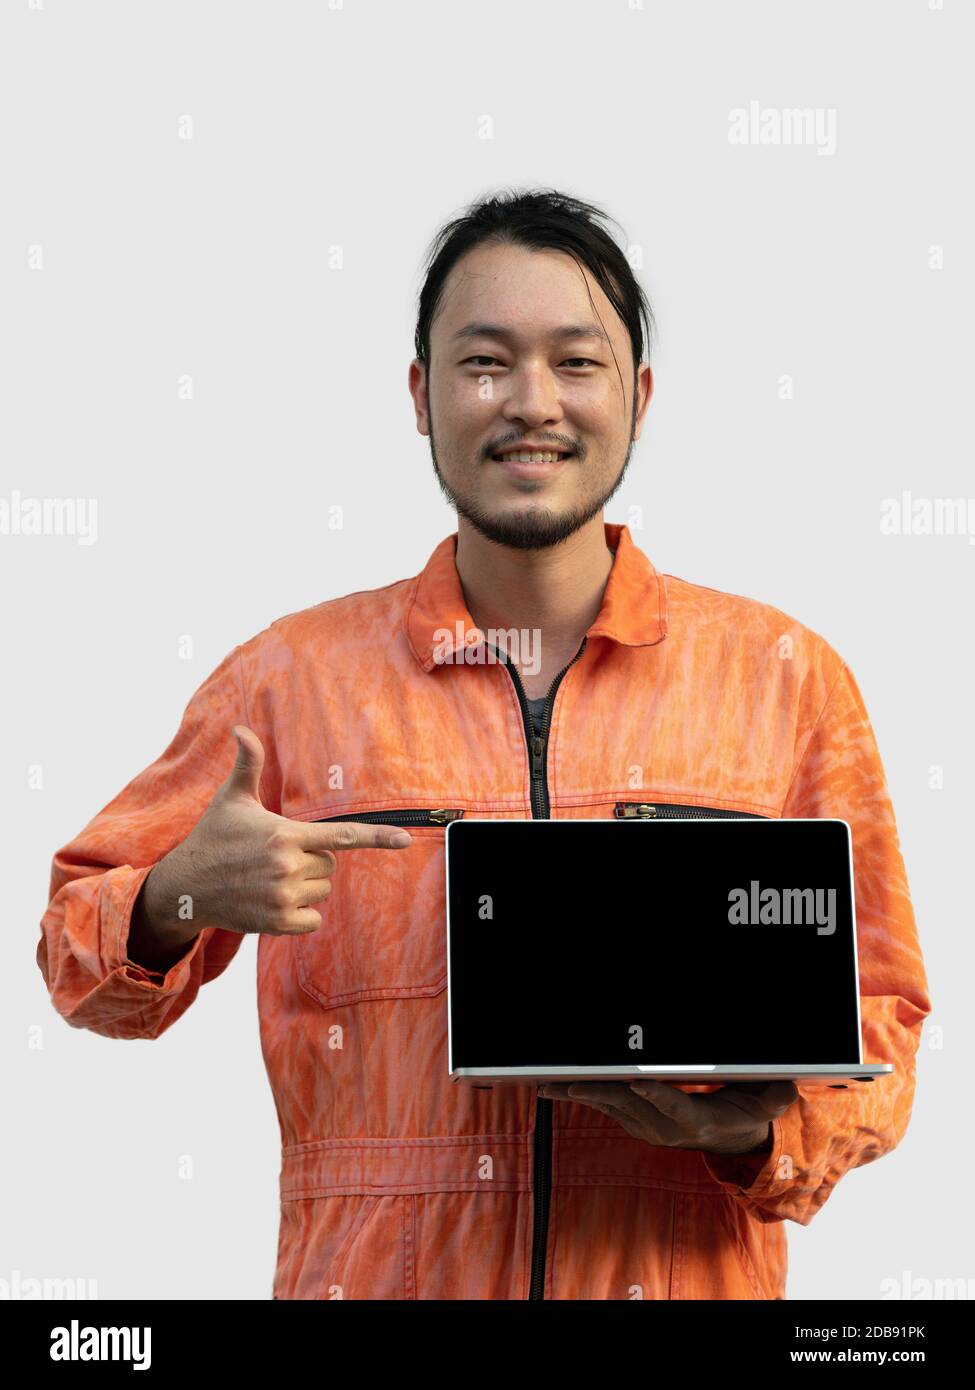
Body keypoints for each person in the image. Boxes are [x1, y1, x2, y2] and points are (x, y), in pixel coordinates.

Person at [37, 188, 931, 1300]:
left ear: (639, 397)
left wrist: (759, 1133)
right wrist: (173, 894)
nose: (532, 403)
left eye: (577, 362)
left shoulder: (786, 679)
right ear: (421, 396)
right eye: (484, 364)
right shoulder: (289, 680)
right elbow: (76, 968)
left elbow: (885, 1023)